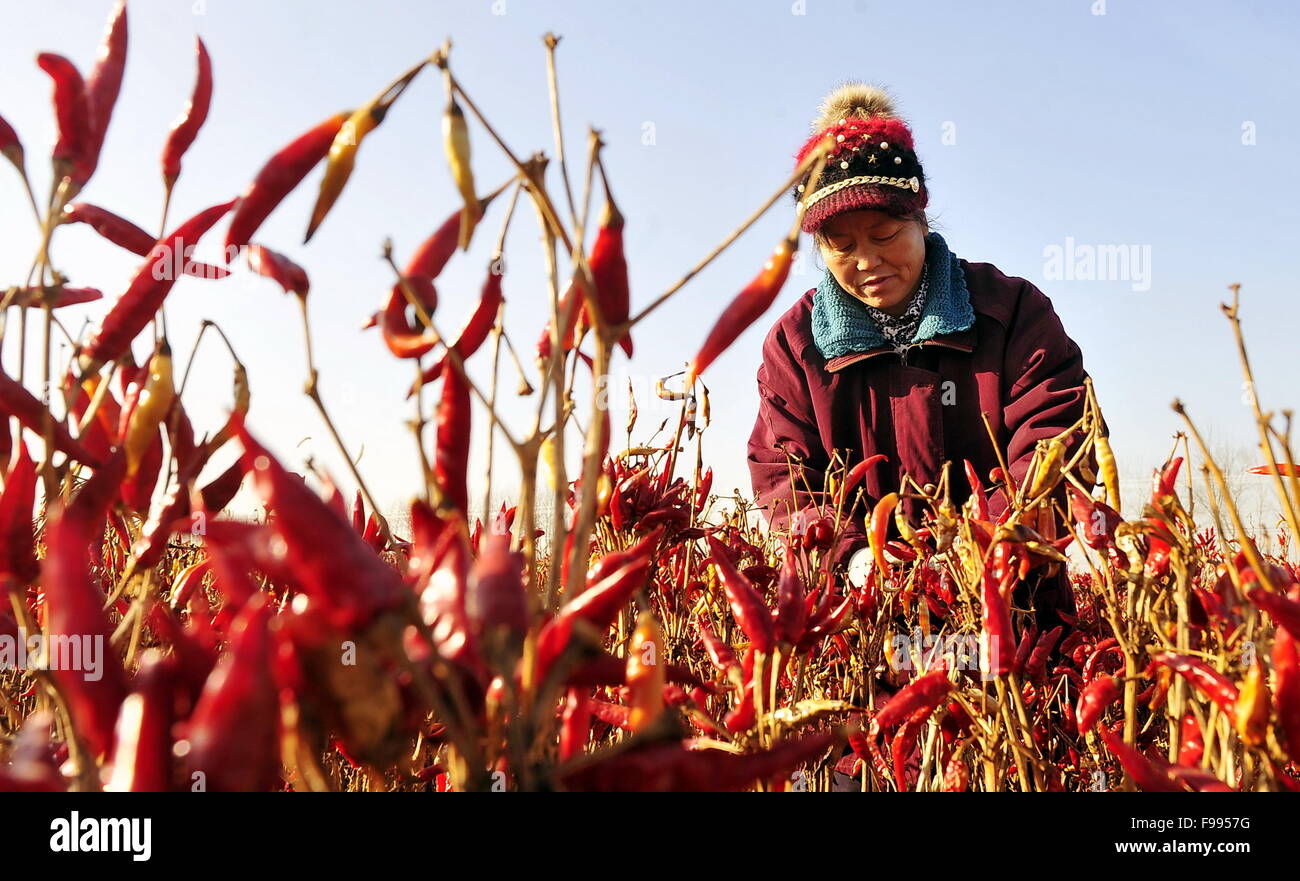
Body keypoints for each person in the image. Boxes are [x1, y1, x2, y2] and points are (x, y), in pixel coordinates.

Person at [747, 83, 1090, 629]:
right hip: (867, 623)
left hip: (1012, 603)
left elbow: (1056, 444)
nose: (866, 260)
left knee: (1012, 706)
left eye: (885, 234)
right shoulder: (796, 344)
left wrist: (983, 545)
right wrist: (858, 558)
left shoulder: (1010, 311)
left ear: (921, 221)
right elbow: (784, 476)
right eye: (842, 245)